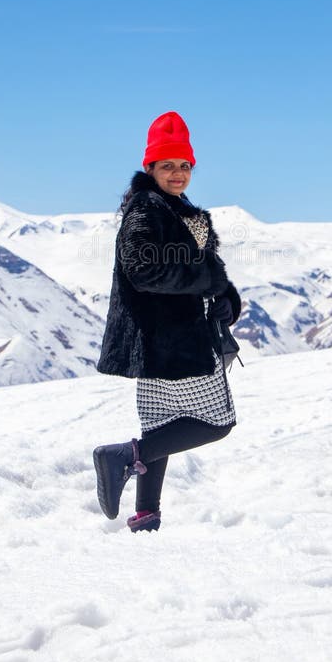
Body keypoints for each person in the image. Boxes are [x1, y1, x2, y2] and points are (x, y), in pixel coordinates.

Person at [94, 110, 241, 533]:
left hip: (162, 338)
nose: (177, 174)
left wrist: (224, 293)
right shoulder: (146, 210)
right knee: (216, 421)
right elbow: (145, 271)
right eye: (168, 166)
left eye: (184, 166)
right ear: (150, 167)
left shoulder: (180, 211)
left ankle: (145, 515)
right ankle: (123, 455)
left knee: (161, 424)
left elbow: (203, 266)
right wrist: (208, 279)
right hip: (172, 339)